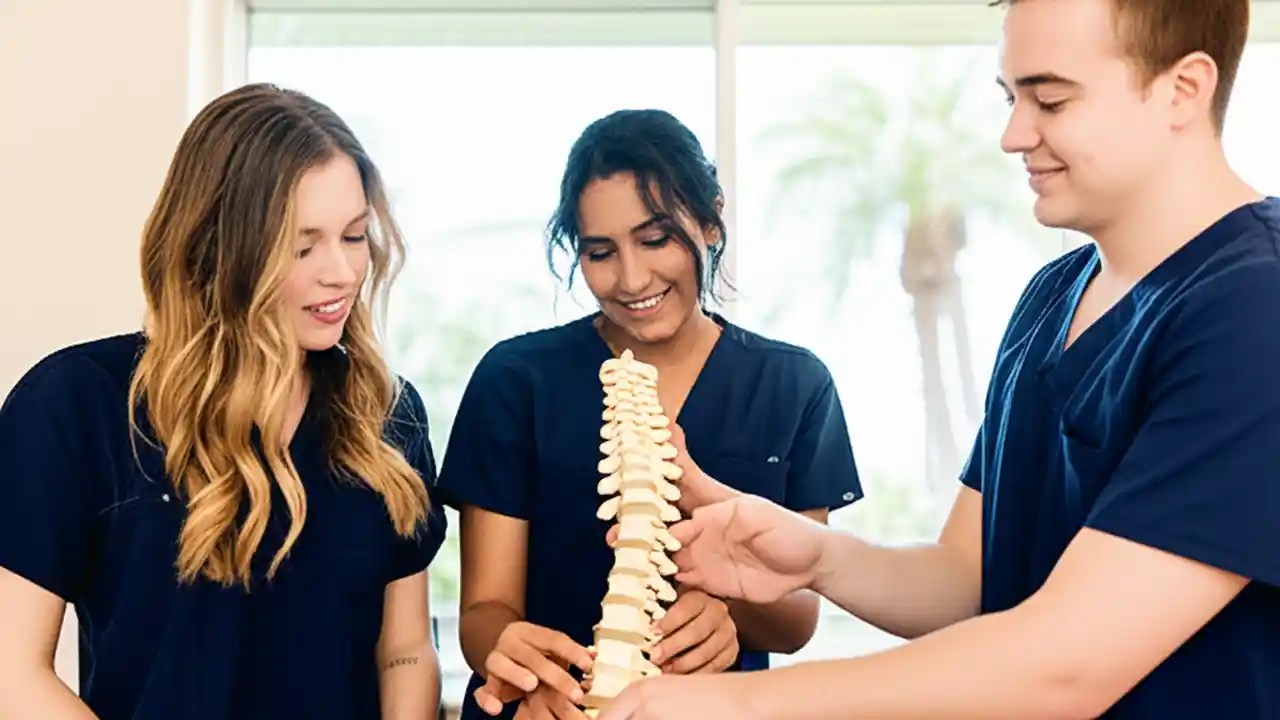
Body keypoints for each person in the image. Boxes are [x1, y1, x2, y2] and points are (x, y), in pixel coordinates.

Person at [592, 0, 1280, 718]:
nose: (1014, 134)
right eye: (1010, 97)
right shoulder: (1053, 296)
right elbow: (967, 580)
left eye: (1050, 99)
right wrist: (820, 558)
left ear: (1184, 90)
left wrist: (735, 705)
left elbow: (1070, 664)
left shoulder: (1256, 308)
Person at [0, 84, 448, 720]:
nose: (344, 272)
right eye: (303, 246)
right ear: (218, 246)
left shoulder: (384, 413)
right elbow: (11, 673)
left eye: (353, 236)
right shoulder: (75, 406)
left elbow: (402, 652)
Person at [434, 108, 862, 720]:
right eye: (600, 251)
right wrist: (520, 664)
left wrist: (730, 618)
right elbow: (483, 611)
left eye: (656, 239)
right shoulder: (516, 379)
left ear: (711, 220)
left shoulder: (793, 385)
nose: (632, 278)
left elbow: (796, 619)